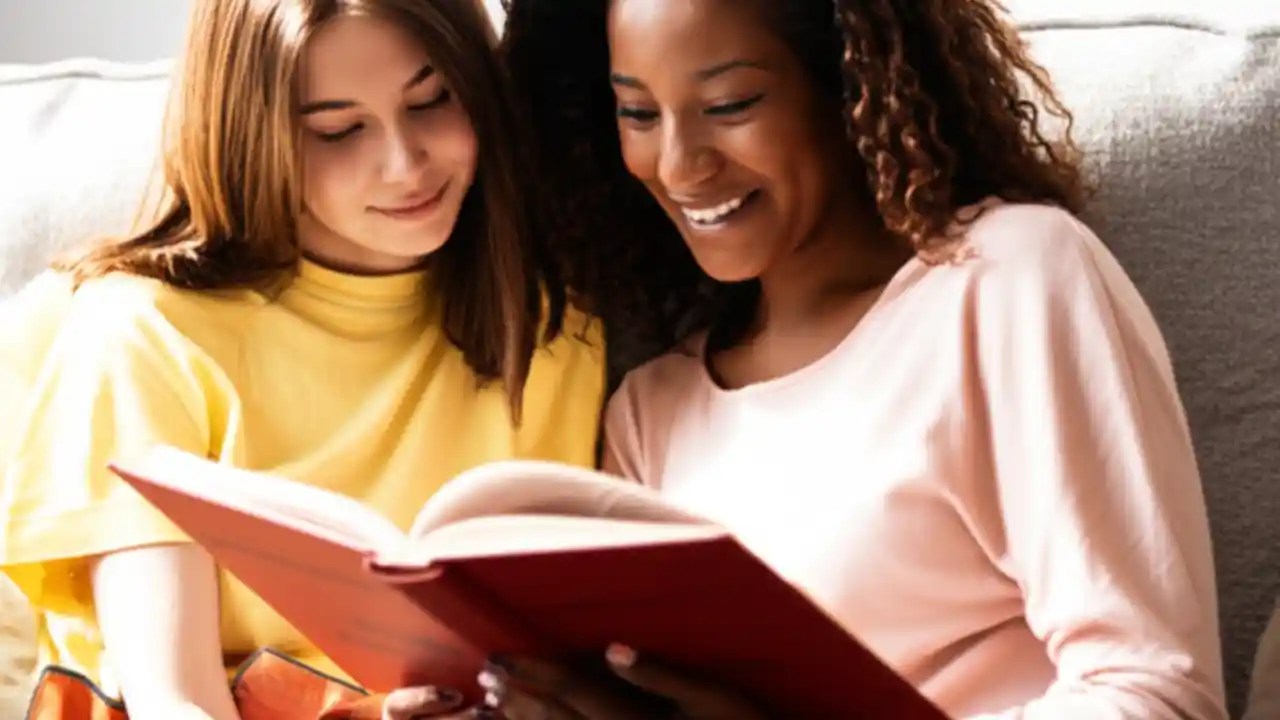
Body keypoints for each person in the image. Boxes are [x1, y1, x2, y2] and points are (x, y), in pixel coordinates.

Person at [449, 0, 1229, 717]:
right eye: (639, 113)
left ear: (847, 84)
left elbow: (1158, 692)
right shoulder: (650, 413)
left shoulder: (1008, 280)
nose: (682, 165)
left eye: (730, 105)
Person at [0, 0, 605, 718]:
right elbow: (171, 700)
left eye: (433, 98)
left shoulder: (557, 331)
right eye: (339, 130)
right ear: (255, 137)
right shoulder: (144, 334)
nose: (404, 164)